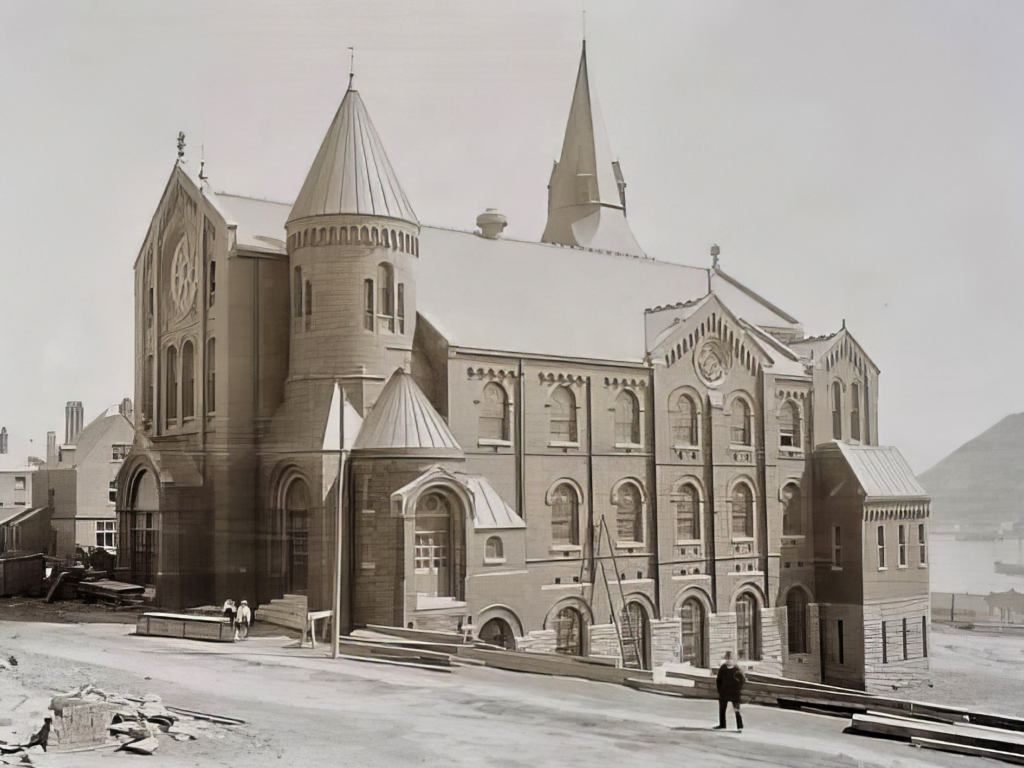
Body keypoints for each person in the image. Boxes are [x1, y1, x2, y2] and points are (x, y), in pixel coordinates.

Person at [714, 650, 745, 732]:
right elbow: (718, 680)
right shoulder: (723, 668)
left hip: (734, 693)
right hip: (724, 692)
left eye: (730, 659)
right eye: (727, 659)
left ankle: (739, 725)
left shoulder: (736, 669)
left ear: (733, 660)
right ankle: (722, 724)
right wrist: (719, 690)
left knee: (736, 709)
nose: (728, 661)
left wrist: (739, 688)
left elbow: (742, 680)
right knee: (722, 709)